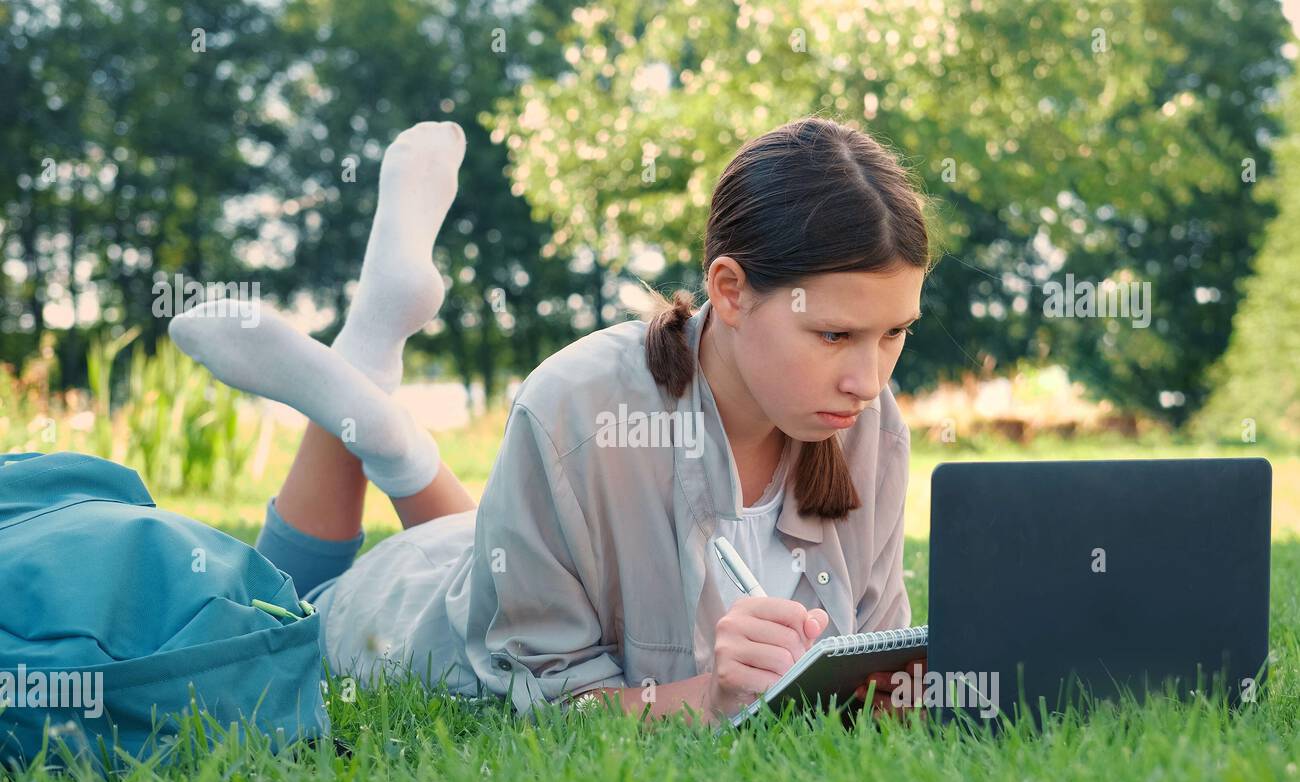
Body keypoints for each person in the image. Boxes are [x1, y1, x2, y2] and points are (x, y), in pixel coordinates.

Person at [168, 115, 932, 728]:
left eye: (894, 334)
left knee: (472, 549)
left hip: (480, 553)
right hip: (401, 617)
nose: (868, 380)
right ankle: (372, 398)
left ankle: (379, 401)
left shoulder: (869, 427)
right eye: (834, 335)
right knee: (284, 610)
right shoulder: (579, 408)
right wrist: (711, 698)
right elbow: (545, 698)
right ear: (729, 291)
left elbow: (880, 667)